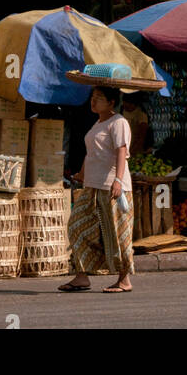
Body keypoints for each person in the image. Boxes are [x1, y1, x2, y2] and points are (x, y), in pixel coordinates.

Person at [61, 85, 134, 294]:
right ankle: (81, 276)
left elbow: (121, 151)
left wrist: (118, 180)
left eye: (99, 98)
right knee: (77, 226)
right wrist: (82, 174)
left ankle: (124, 279)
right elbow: (91, 153)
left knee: (118, 233)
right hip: (92, 186)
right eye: (93, 97)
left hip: (112, 186)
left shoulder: (118, 122)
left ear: (111, 102)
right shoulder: (97, 124)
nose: (93, 102)